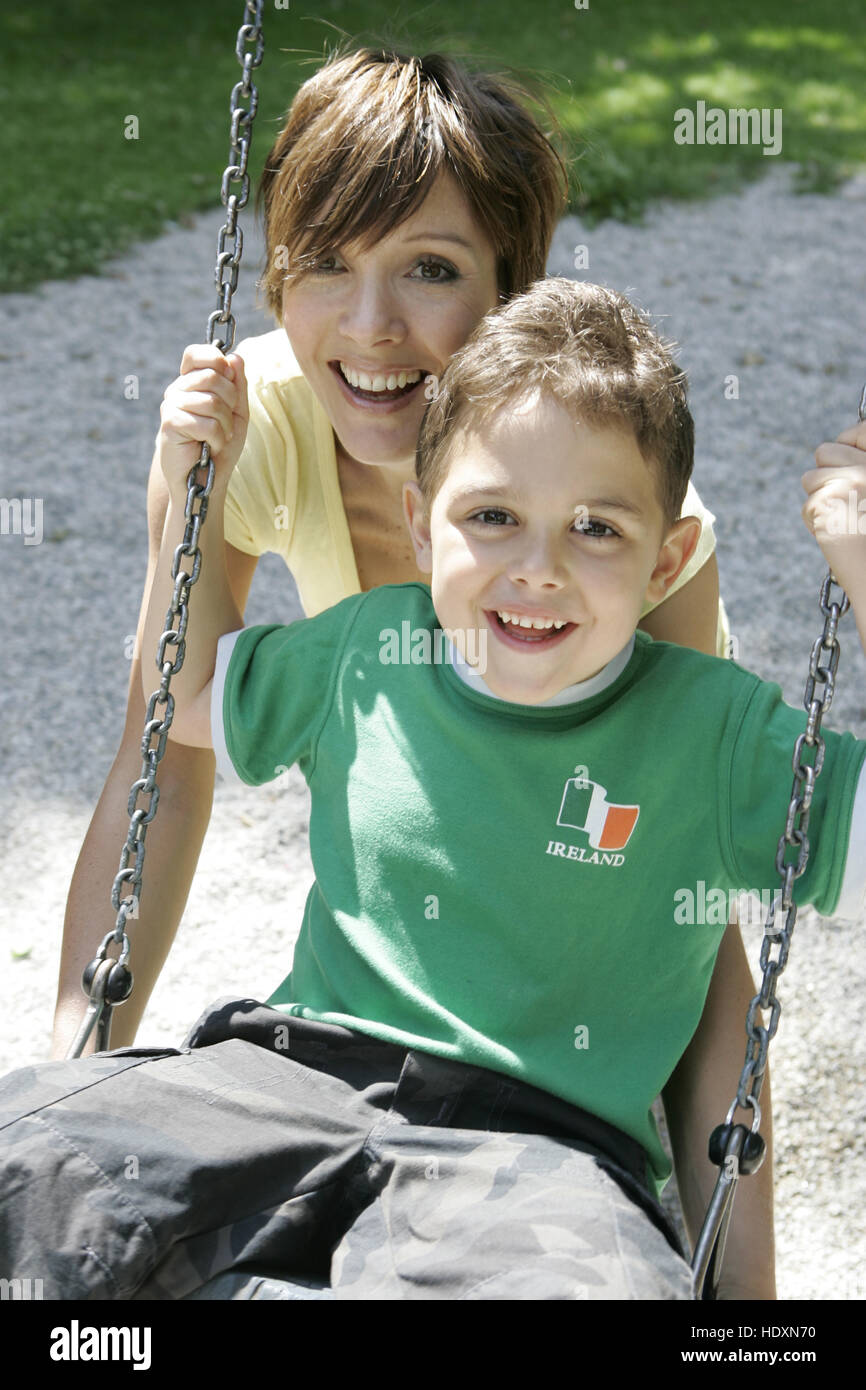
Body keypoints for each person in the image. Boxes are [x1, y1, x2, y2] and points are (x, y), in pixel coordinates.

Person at [3, 278, 863, 1300]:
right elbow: (178, 698)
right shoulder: (370, 648)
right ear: (420, 527)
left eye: (595, 529)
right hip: (284, 1081)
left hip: (538, 1152)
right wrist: (182, 480)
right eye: (491, 516)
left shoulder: (717, 731)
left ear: (667, 558)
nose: (535, 568)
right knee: (37, 1160)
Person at [52, 45, 729, 1062]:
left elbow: (693, 892)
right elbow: (165, 760)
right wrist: (67, 1071)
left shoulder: (618, 534)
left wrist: (733, 1217)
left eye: (428, 269)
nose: (370, 328)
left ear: (513, 292)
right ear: (277, 280)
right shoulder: (240, 429)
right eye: (325, 261)